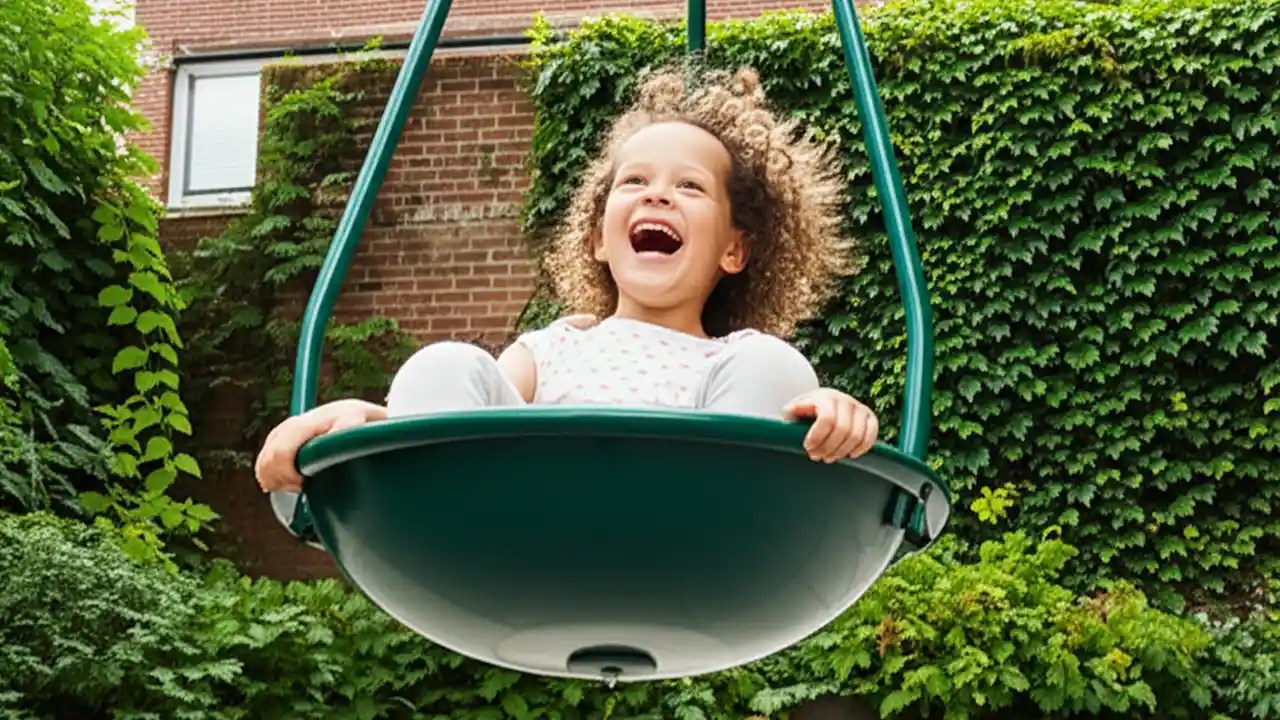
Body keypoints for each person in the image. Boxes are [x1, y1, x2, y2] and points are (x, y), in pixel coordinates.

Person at [255, 65, 879, 495]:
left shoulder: (732, 360)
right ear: (598, 239)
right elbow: (458, 413)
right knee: (443, 365)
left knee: (779, 366)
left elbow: (791, 406)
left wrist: (828, 413)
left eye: (689, 187)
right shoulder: (555, 348)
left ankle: (693, 522)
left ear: (735, 250)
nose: (657, 194)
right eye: (634, 182)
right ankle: (457, 517)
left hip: (689, 510)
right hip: (528, 505)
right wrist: (360, 416)